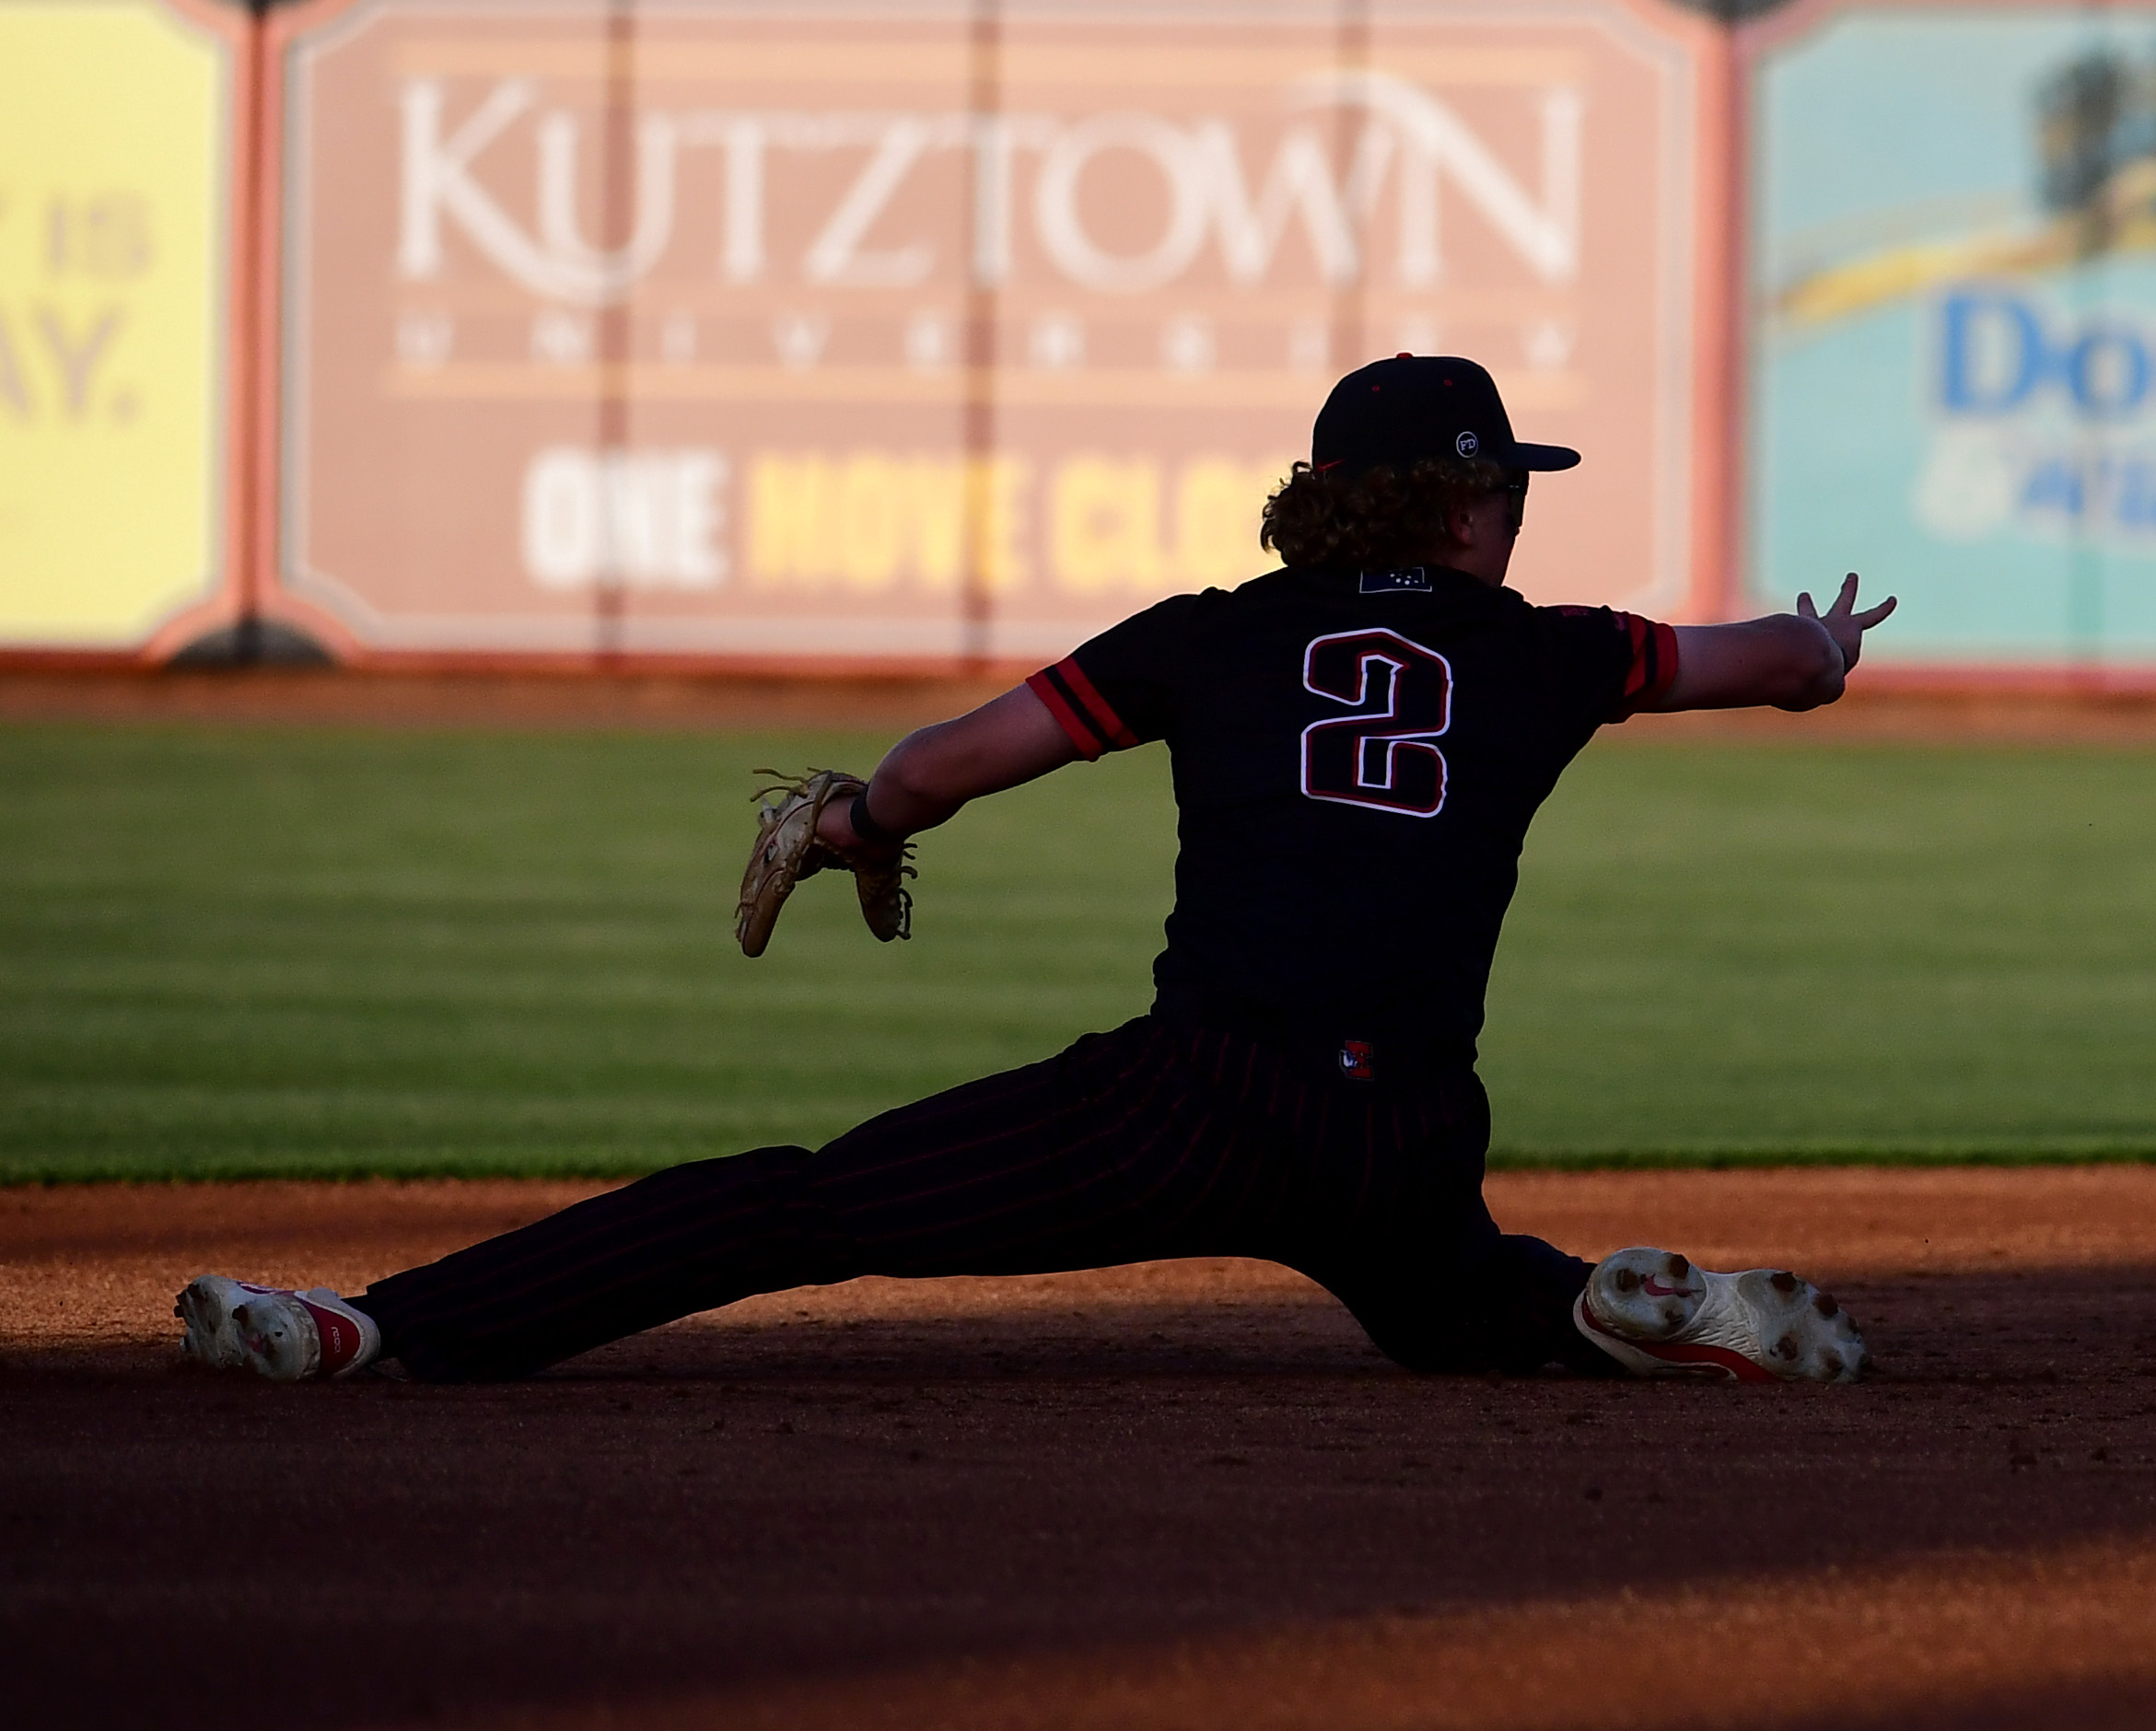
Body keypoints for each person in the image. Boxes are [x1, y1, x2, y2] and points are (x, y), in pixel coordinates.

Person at [176, 355, 1896, 1388]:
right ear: (1451, 511)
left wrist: (865, 828)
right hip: (1403, 1136)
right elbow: (1771, 663)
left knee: (806, 1204)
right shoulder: (1557, 654)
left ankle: (371, 1330)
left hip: (1198, 1105)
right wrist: (1823, 644)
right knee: (1453, 1309)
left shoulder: (1208, 641)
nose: (1513, 512)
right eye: (1500, 489)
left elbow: (940, 765)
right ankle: (1613, 1307)